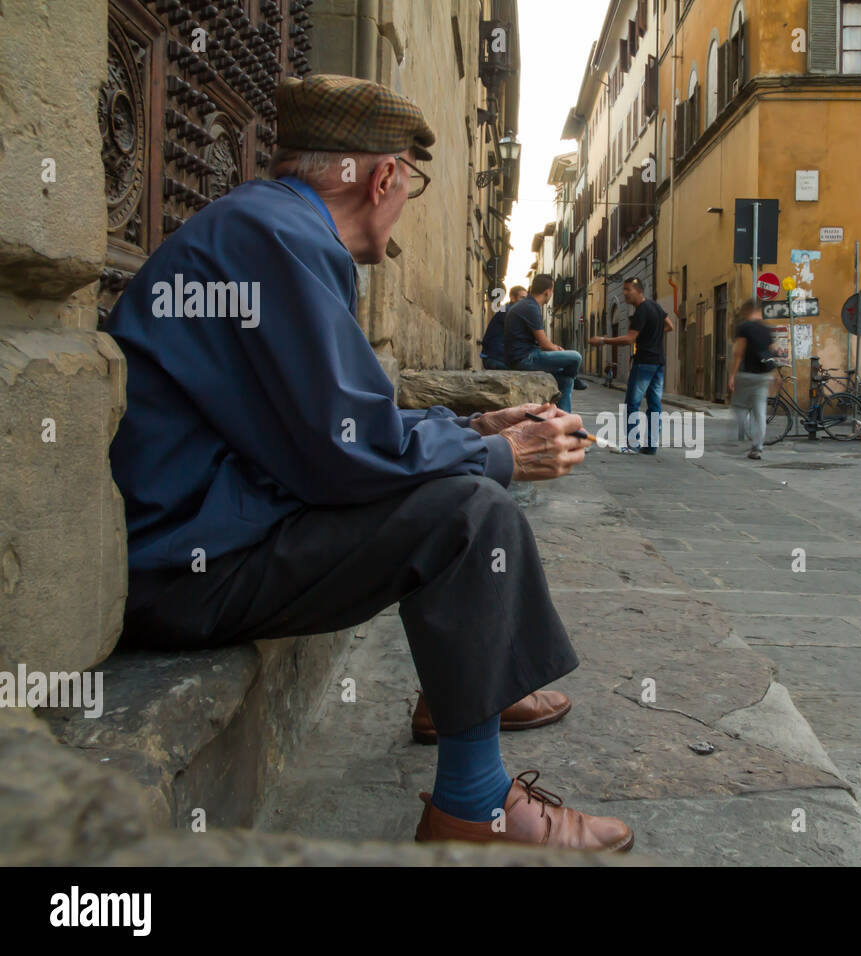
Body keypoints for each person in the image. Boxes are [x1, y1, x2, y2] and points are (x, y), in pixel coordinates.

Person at [103, 74, 632, 852]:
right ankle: (474, 803)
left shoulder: (265, 227)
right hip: (190, 571)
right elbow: (346, 455)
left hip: (208, 536)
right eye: (408, 187)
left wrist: (474, 421)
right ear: (385, 177)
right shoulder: (275, 241)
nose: (403, 210)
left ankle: (461, 694)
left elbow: (329, 422)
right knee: (469, 509)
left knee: (462, 479)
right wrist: (496, 451)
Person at [590, 278, 673, 454]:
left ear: (639, 290)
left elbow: (628, 339)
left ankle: (632, 445)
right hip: (659, 362)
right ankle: (651, 446)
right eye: (624, 290)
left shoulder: (641, 311)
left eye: (628, 290)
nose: (625, 293)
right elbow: (669, 325)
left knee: (632, 404)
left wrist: (603, 340)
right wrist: (652, 335)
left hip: (644, 363)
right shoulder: (656, 307)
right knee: (654, 405)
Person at [505, 275, 584, 412]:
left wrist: (554, 348)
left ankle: (564, 419)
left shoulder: (526, 305)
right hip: (526, 358)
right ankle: (572, 377)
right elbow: (544, 344)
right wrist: (557, 349)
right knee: (576, 357)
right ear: (548, 291)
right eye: (552, 291)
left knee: (566, 381)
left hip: (520, 356)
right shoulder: (531, 307)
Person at [728, 299, 776, 460]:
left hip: (746, 373)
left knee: (739, 406)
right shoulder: (767, 329)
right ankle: (757, 447)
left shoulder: (744, 327)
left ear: (746, 310)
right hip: (763, 376)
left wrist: (732, 375)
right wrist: (774, 374)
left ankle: (745, 430)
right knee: (760, 411)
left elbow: (739, 353)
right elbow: (772, 352)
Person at [480, 285, 525, 370]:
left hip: (495, 358)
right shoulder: (508, 312)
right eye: (522, 298)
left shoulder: (509, 310)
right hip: (495, 359)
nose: (524, 302)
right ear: (512, 298)